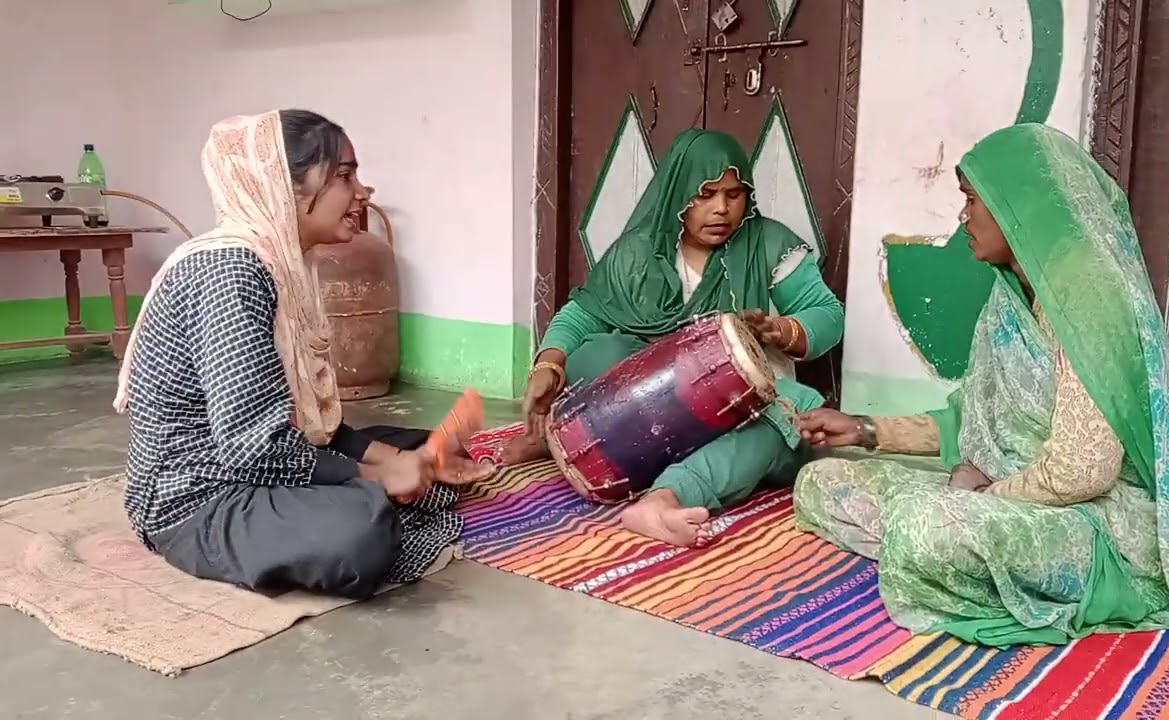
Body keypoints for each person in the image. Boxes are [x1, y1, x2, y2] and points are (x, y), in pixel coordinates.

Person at [790, 123, 1169, 646]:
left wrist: (982, 496)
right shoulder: (1012, 294)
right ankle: (962, 549)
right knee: (819, 484)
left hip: (1098, 523)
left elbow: (1082, 472)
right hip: (1004, 492)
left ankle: (958, 551)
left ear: (1015, 204)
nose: (964, 217)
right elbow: (975, 422)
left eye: (973, 200)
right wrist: (864, 429)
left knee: (922, 528)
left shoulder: (1086, 298)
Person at [114, 110, 491, 600]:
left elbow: (319, 428)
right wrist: (374, 473)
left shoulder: (283, 265)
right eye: (343, 175)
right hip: (199, 496)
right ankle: (378, 497)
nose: (359, 192)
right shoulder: (230, 271)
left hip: (256, 463)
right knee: (360, 536)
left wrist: (396, 457)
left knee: (425, 446)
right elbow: (253, 448)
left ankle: (391, 484)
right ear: (284, 186)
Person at [501, 128, 844, 547]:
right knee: (599, 352)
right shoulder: (638, 252)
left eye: (734, 195)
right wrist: (549, 363)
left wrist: (782, 330)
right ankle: (560, 437)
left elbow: (828, 315)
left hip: (747, 405)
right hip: (663, 402)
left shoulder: (768, 243)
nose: (721, 209)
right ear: (679, 192)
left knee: (783, 429)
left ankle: (667, 496)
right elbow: (583, 313)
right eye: (705, 195)